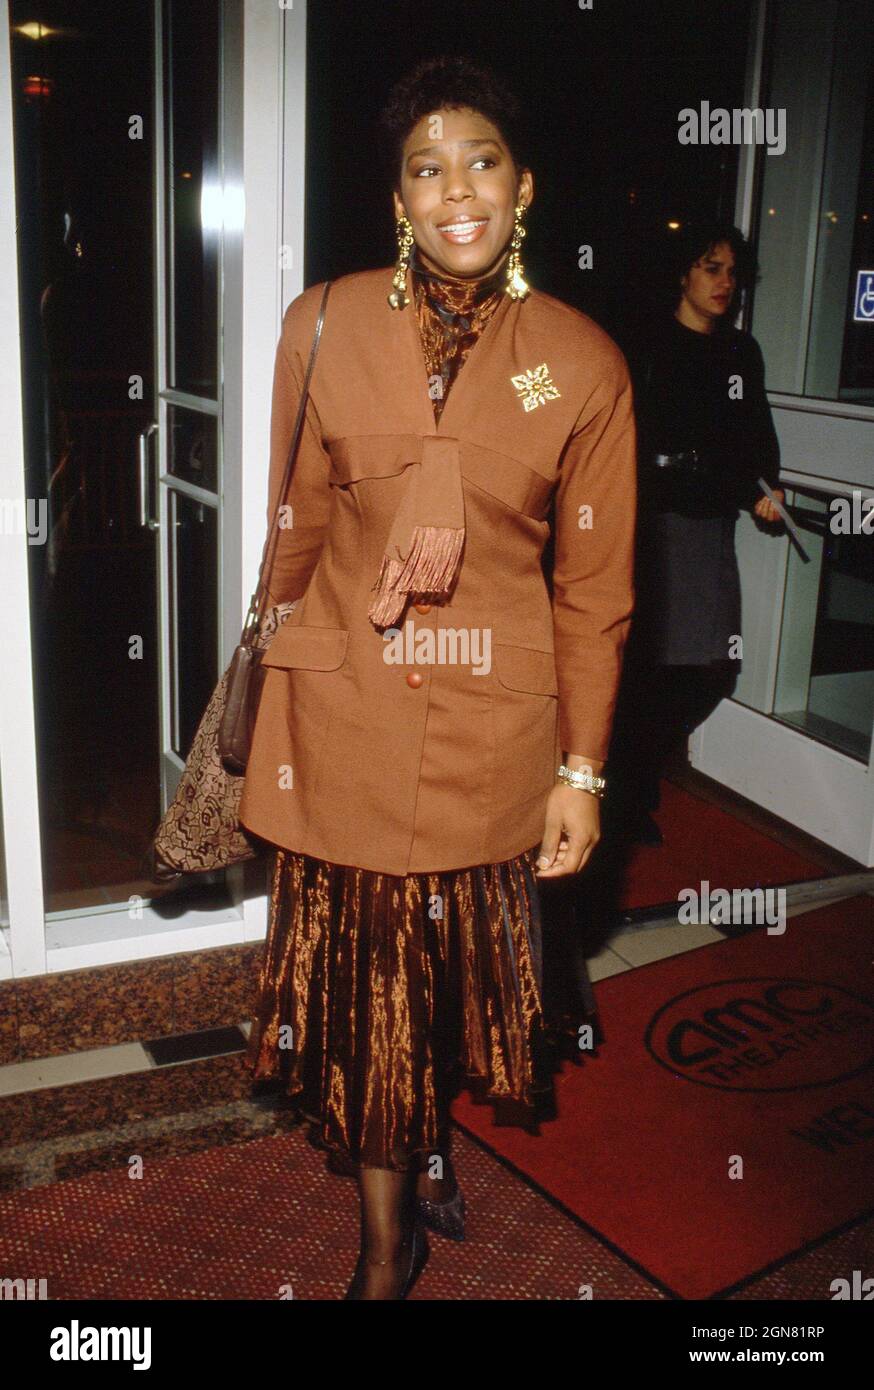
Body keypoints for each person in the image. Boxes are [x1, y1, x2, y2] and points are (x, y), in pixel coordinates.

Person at [238, 55, 636, 1299]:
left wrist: (582, 770)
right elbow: (294, 523)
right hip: (342, 713)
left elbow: (594, 591)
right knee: (365, 999)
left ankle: (420, 1134)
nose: (454, 190)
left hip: (491, 736)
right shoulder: (321, 324)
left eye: (480, 163)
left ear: (525, 189)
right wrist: (262, 674)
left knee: (446, 985)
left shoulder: (579, 362)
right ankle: (384, 1241)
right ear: (396, 198)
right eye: (426, 168)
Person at [606, 221, 783, 846]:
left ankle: (628, 775)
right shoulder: (645, 343)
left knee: (713, 670)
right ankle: (624, 795)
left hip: (713, 524)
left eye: (734, 273)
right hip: (655, 521)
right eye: (712, 268)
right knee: (651, 670)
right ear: (684, 272)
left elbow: (756, 433)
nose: (725, 283)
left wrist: (769, 488)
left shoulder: (741, 353)